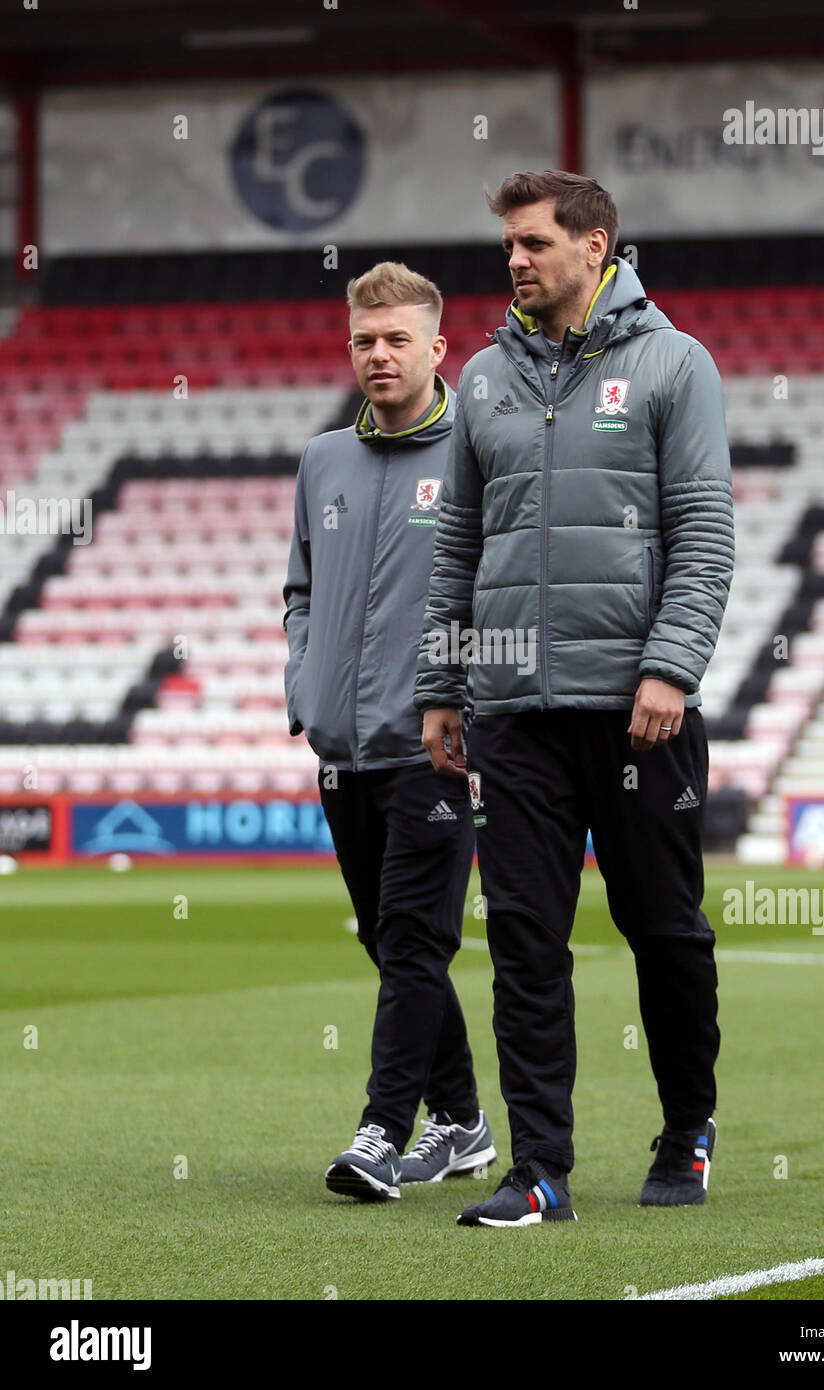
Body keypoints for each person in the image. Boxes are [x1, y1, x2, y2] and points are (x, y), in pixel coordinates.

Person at [414, 171, 734, 1227]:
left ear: (596, 246)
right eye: (507, 242)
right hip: (512, 713)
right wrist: (442, 684)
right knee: (522, 938)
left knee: (664, 929)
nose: (515, 258)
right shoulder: (485, 381)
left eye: (535, 241)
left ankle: (687, 1126)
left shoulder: (673, 364)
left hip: (638, 709)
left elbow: (702, 531)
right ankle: (538, 1169)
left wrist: (669, 668)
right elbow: (457, 542)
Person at [283, 262, 495, 1202]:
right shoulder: (322, 459)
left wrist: (470, 708)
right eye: (364, 339)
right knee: (385, 937)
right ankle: (464, 1124)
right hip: (342, 748)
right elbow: (301, 592)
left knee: (415, 941)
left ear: (436, 348)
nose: (378, 355)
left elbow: (497, 596)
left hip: (430, 749)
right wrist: (306, 682)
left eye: (396, 339)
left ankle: (382, 1130)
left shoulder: (478, 456)